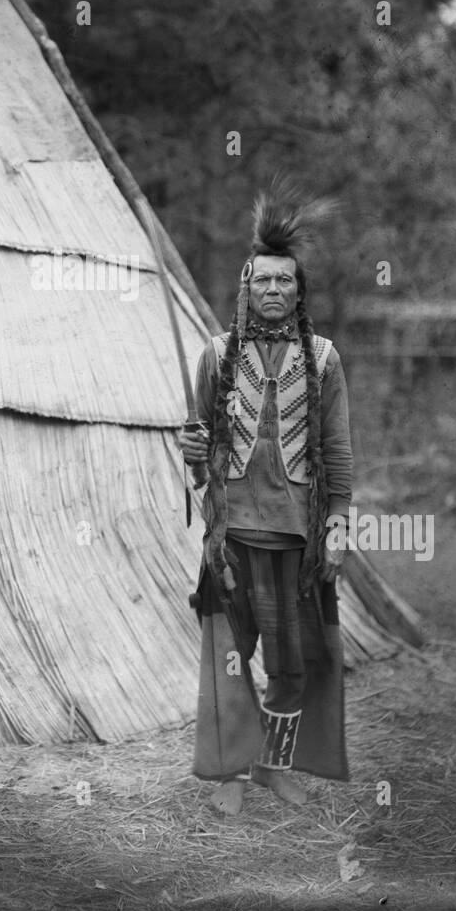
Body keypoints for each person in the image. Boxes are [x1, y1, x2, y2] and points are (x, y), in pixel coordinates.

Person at [179, 181, 354, 815]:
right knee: (229, 661)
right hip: (232, 542)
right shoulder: (216, 357)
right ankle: (229, 774)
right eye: (262, 282)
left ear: (299, 292)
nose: (273, 291)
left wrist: (337, 528)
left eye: (285, 282)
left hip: (299, 543)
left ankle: (274, 767)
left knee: (295, 664)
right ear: (245, 290)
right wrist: (193, 452)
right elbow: (198, 445)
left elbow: (337, 456)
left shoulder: (326, 360)